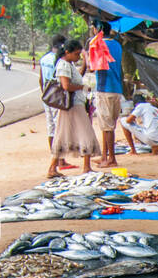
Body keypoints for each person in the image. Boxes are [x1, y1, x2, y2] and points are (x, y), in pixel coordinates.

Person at [47, 39, 100, 178]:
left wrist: (83, 63)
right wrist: (82, 87)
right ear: (67, 52)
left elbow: (76, 78)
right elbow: (66, 86)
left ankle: (53, 167)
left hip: (75, 104)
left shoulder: (68, 64)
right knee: (86, 133)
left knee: (63, 135)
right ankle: (86, 167)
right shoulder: (64, 65)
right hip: (72, 104)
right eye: (76, 54)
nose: (77, 57)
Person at [90, 21, 124, 168]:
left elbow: (94, 67)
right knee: (109, 125)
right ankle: (105, 156)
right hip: (117, 88)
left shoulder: (98, 44)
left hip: (104, 88)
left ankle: (111, 158)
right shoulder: (117, 45)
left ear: (98, 29)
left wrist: (86, 55)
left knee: (107, 126)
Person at [38, 34, 75, 168]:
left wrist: (44, 94)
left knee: (51, 128)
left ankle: (54, 156)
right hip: (58, 97)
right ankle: (60, 160)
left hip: (48, 96)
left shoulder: (44, 59)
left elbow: (41, 79)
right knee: (59, 128)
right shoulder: (60, 60)